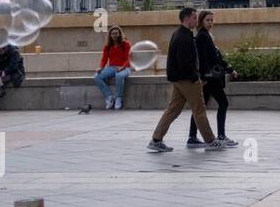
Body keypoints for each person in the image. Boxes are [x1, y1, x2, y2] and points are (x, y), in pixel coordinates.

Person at [146, 8, 224, 152]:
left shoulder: (179, 34)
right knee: (199, 109)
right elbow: (186, 64)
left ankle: (156, 140)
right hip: (187, 80)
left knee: (173, 110)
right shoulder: (184, 38)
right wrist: (196, 78)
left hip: (178, 80)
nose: (196, 20)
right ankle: (211, 140)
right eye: (195, 17)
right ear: (187, 19)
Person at [188, 11, 238, 147]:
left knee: (199, 108)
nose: (210, 23)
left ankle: (192, 137)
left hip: (209, 78)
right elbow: (204, 59)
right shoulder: (203, 36)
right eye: (207, 20)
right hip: (210, 79)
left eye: (211, 20)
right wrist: (205, 76)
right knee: (223, 103)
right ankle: (221, 135)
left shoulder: (206, 35)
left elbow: (217, 56)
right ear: (201, 21)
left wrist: (229, 69)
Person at [94, 26, 132, 110]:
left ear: (119, 34)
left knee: (119, 76)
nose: (114, 35)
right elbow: (104, 59)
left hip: (125, 68)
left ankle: (119, 98)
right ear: (110, 35)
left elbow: (128, 58)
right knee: (97, 77)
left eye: (116, 33)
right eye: (113, 33)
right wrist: (101, 68)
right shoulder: (107, 46)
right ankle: (109, 98)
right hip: (112, 67)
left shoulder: (126, 44)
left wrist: (123, 67)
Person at [0, 43, 24, 109]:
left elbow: (14, 66)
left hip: (15, 74)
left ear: (4, 48)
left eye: (0, 51)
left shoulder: (14, 52)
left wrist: (4, 71)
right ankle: (0, 89)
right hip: (4, 73)